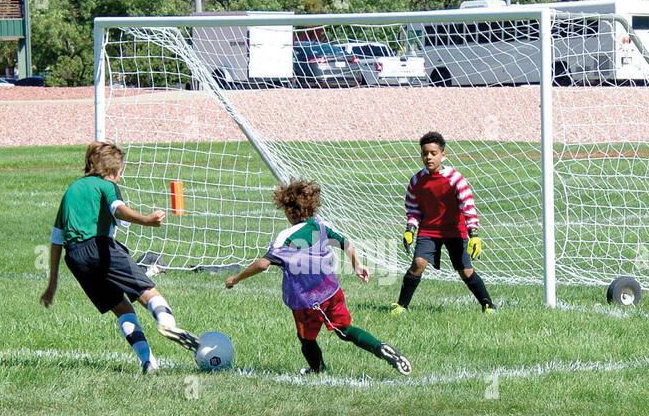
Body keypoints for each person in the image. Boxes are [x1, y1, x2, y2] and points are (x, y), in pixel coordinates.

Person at [40, 141, 199, 374]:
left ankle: (148, 361)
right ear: (115, 171)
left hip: (75, 258)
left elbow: (56, 241)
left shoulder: (71, 190)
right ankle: (167, 324)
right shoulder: (107, 186)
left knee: (123, 309)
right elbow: (118, 209)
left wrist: (52, 283)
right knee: (147, 293)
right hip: (100, 247)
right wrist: (146, 220)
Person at [226, 178, 411, 376]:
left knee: (306, 338)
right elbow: (345, 243)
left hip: (308, 301)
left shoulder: (285, 238)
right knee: (346, 329)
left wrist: (236, 279)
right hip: (332, 291)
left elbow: (263, 264)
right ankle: (380, 347)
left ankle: (317, 369)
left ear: (289, 210)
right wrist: (357, 265)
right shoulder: (320, 227)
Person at [392, 131, 495, 315]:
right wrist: (410, 229)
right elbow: (413, 209)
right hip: (429, 230)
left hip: (455, 230)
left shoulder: (456, 179)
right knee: (418, 263)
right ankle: (402, 306)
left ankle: (488, 305)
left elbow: (468, 207)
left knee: (466, 271)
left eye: (433, 153)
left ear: (443, 155)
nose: (428, 157)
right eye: (425, 153)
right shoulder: (416, 180)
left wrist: (474, 235)